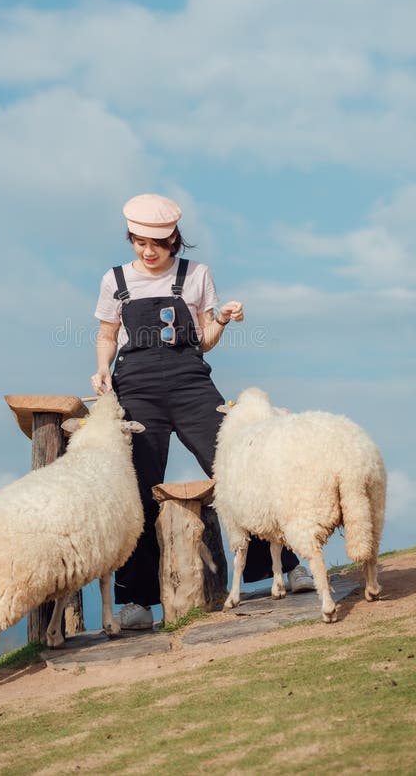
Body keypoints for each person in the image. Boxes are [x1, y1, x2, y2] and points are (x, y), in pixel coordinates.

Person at [91, 193, 313, 629]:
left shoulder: (196, 275)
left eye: (156, 242)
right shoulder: (114, 279)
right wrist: (101, 370)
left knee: (236, 471)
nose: (147, 251)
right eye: (139, 242)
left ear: (173, 237)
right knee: (136, 490)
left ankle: (288, 568)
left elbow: (204, 338)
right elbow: (106, 332)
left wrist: (225, 319)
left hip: (191, 384)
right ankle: (137, 602)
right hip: (135, 389)